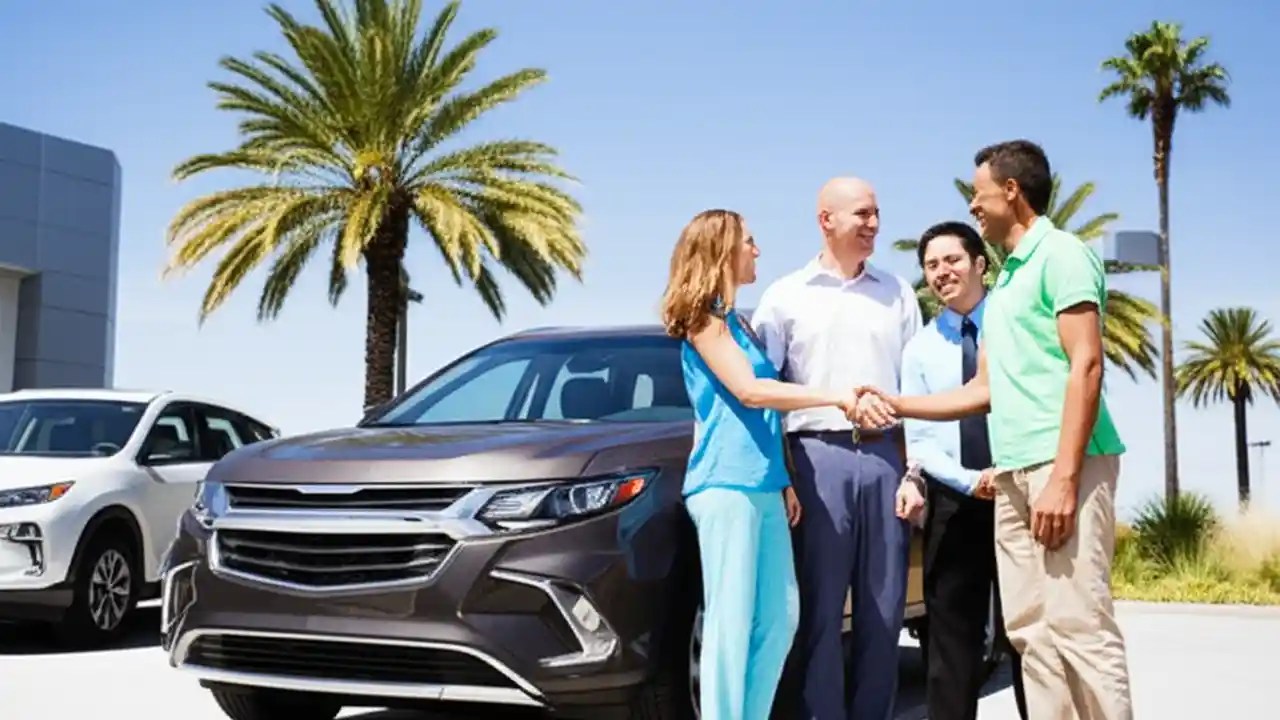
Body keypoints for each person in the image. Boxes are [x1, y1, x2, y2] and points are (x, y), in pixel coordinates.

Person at [864, 140, 1134, 720]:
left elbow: (1087, 364)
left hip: (1062, 464)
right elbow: (982, 389)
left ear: (1011, 190)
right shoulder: (1008, 281)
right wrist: (898, 404)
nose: (973, 205)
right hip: (1014, 473)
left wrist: (1064, 478)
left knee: (1079, 624)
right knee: (1031, 629)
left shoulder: (1061, 254)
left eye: (978, 193)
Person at [659, 208, 861, 720]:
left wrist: (783, 477)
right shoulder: (703, 319)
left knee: (779, 617)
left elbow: (762, 416)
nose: (757, 250)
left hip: (764, 484)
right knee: (730, 623)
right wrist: (834, 396)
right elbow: (750, 392)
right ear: (722, 249)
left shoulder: (737, 324)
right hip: (725, 484)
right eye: (748, 241)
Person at [750, 177, 922, 720]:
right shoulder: (784, 296)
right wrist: (782, 475)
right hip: (812, 458)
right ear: (826, 219)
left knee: (884, 609)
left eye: (877, 213)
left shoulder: (898, 293)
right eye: (862, 213)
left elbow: (916, 387)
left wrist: (913, 471)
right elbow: (764, 391)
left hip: (886, 458)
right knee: (819, 610)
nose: (874, 224)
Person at [893, 220, 1028, 720]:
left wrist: (1005, 473)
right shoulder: (920, 349)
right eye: (931, 265)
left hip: (1022, 493)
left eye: (952, 260)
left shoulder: (1016, 327)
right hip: (955, 501)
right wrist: (973, 481)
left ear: (980, 264)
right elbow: (920, 440)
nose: (941, 272)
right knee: (951, 641)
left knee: (1028, 635)